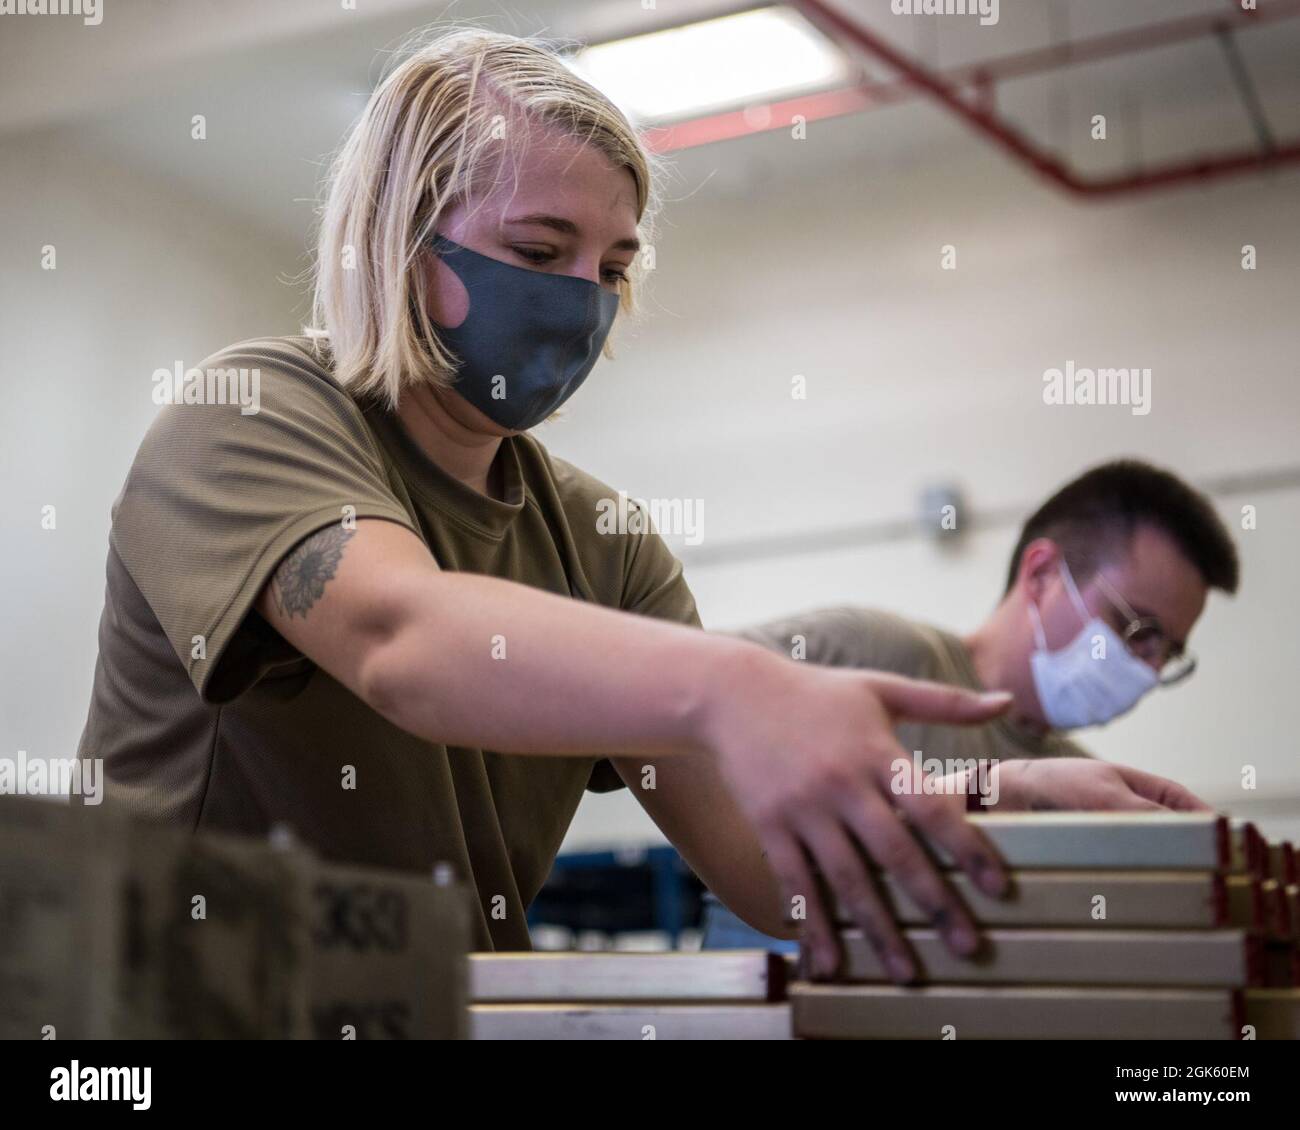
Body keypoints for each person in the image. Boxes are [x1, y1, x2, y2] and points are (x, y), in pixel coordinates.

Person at [76, 29, 1203, 982]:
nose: (581, 302)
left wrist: (998, 790)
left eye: (612, 267)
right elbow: (401, 638)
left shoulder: (603, 543)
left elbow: (771, 872)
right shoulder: (253, 414)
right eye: (536, 249)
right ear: (396, 240)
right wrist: (733, 683)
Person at [703, 460, 1237, 951]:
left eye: (1167, 652)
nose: (1146, 669)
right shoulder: (869, 652)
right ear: (1043, 574)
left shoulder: (1075, 781)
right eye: (1136, 629)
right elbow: (677, 693)